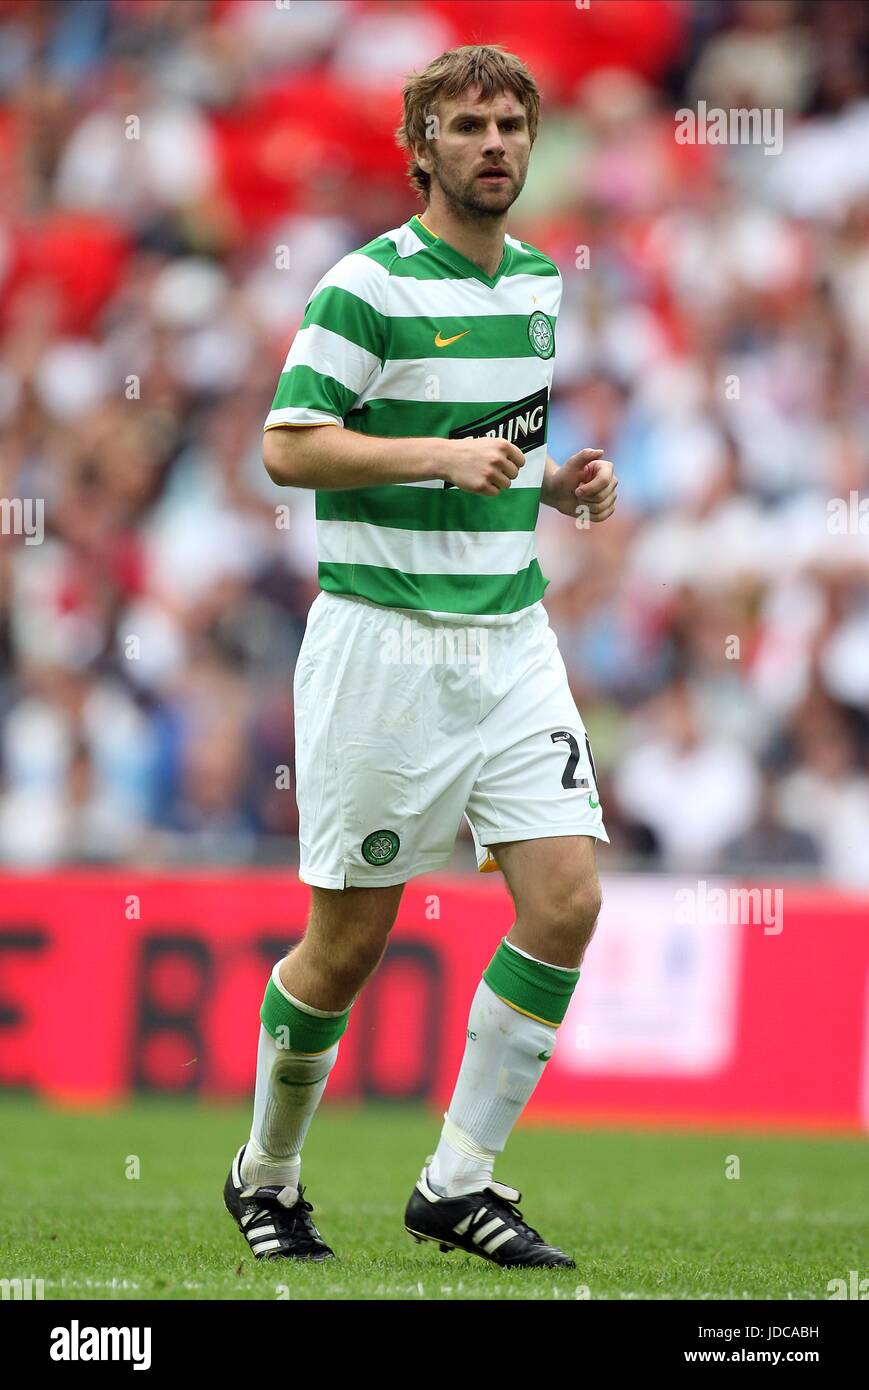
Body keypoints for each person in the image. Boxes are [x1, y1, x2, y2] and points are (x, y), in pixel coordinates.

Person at [224, 44, 618, 1269]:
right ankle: (267, 1172)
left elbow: (487, 438)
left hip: (508, 636)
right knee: (345, 947)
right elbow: (288, 448)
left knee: (565, 901)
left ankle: (457, 1182)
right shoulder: (364, 287)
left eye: (511, 123)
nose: (493, 143)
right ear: (420, 148)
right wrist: (437, 459)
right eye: (466, 125)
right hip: (381, 647)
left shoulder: (540, 287)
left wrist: (551, 482)